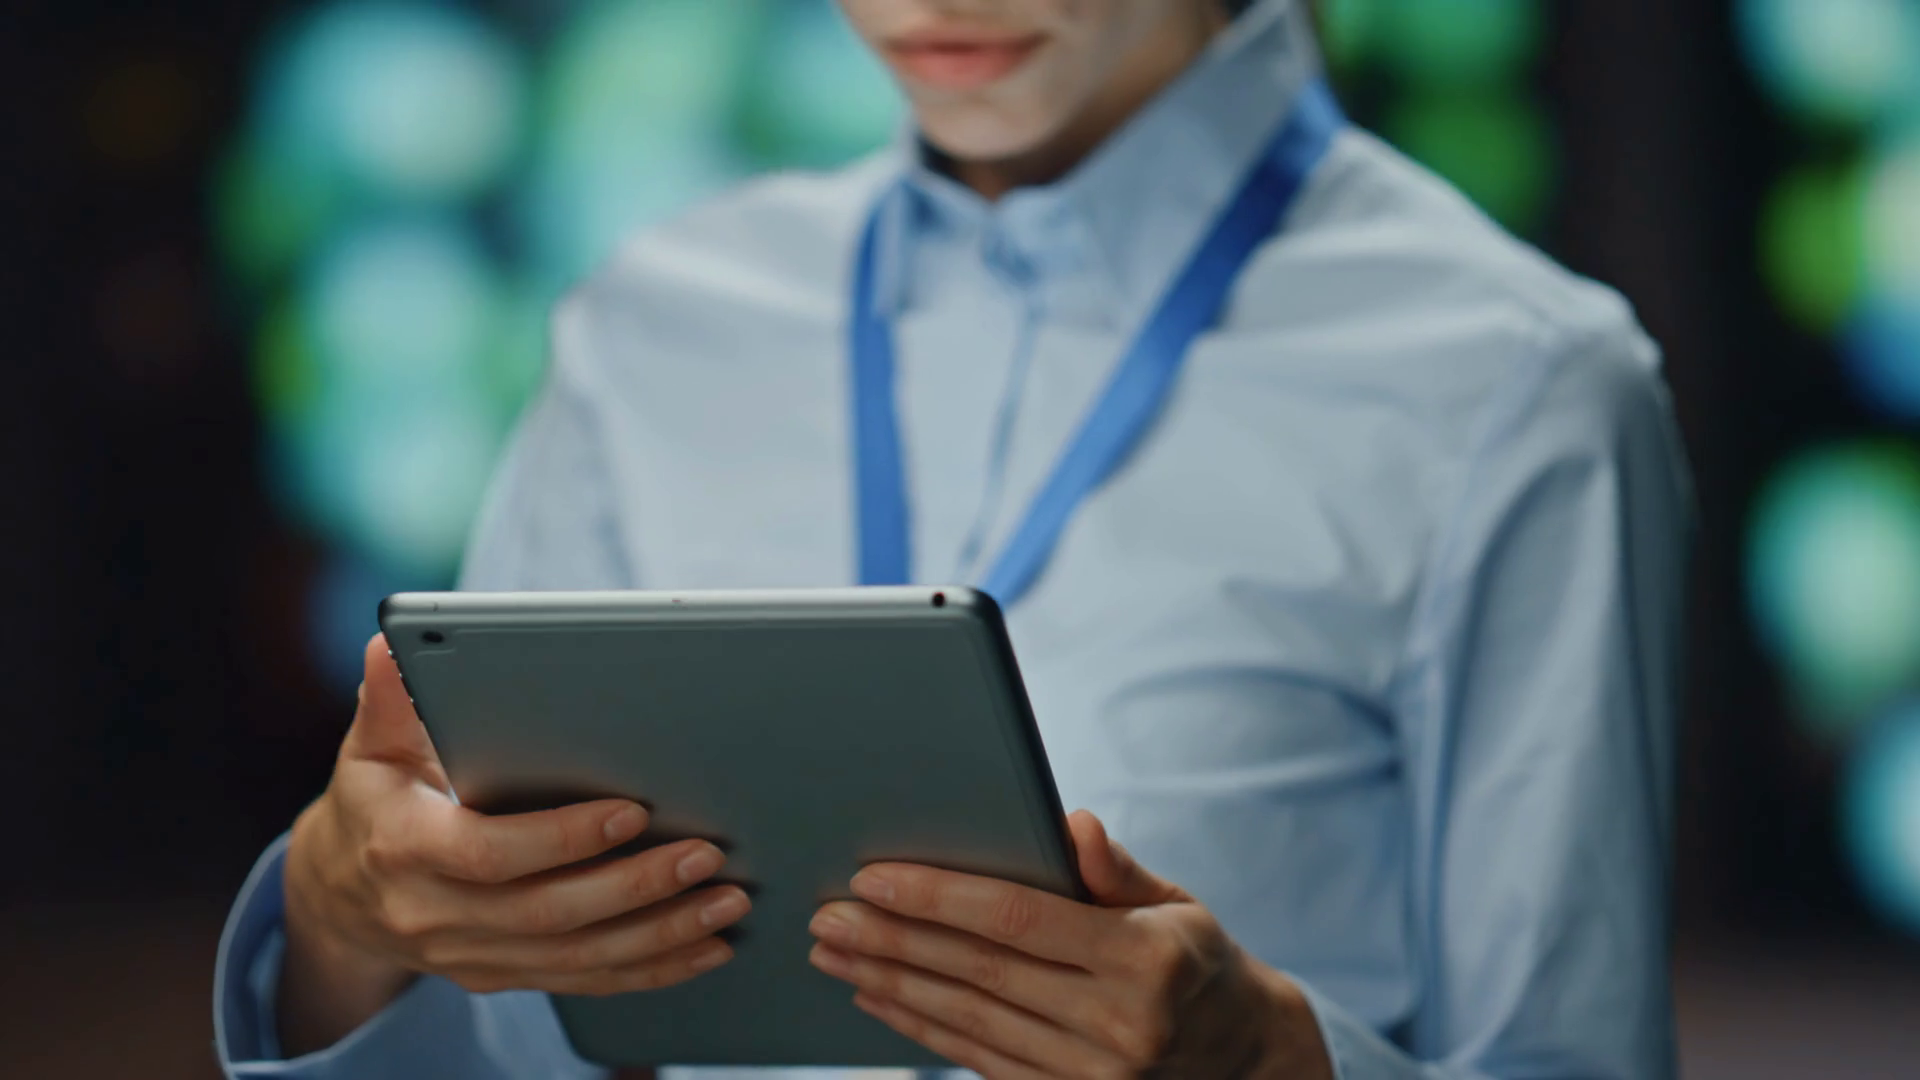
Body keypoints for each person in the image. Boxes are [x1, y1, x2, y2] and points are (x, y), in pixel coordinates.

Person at [213, 0, 1692, 1077]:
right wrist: (345, 918)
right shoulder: (646, 330)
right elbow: (502, 1045)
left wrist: (1268, 1062)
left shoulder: (1520, 380)